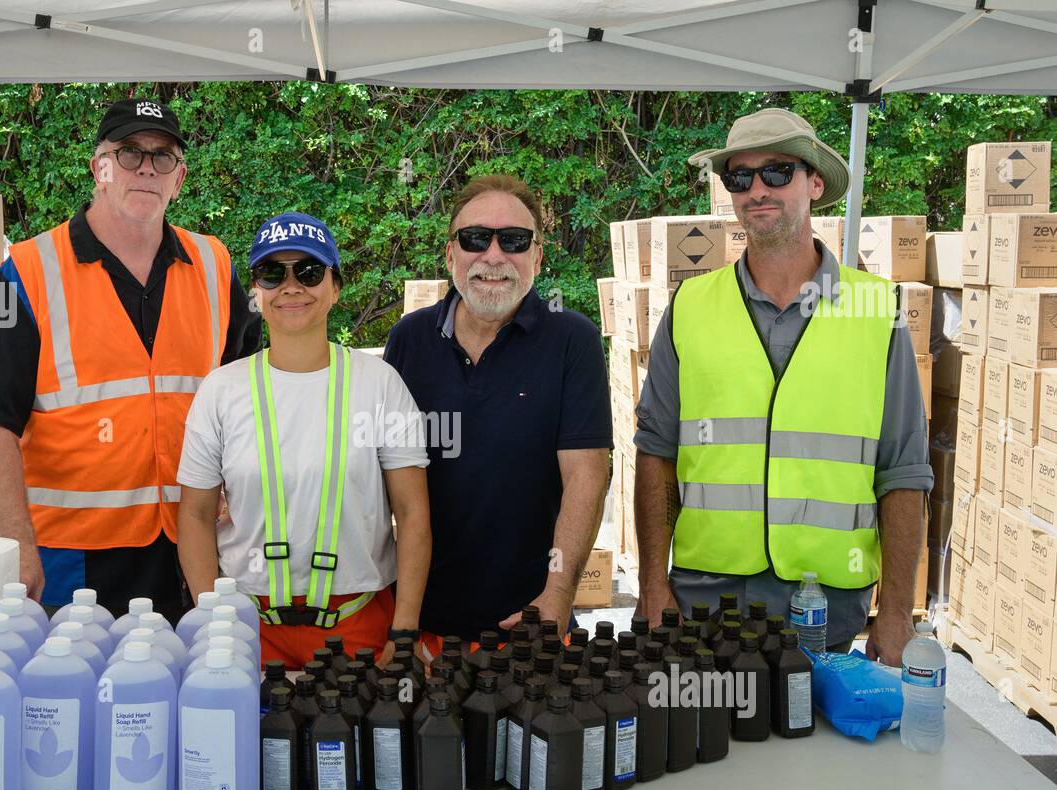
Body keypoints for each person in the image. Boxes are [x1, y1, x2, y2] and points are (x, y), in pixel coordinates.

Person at [634, 107, 931, 665]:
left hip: (823, 605)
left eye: (776, 171)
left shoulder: (873, 310)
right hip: (705, 599)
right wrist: (653, 583)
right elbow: (656, 454)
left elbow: (904, 471)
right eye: (739, 177)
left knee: (813, 750)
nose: (756, 189)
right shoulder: (691, 308)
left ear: (815, 182)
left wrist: (895, 613)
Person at [0, 97, 260, 622]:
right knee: (79, 696)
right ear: (100, 167)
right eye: (129, 152)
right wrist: (17, 544)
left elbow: (247, 396)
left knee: (189, 692)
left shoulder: (214, 265)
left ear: (178, 178)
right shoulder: (24, 273)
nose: (146, 168)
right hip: (74, 559)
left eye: (162, 157)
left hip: (192, 544)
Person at [176, 212, 431, 670]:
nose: (291, 286)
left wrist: (406, 630)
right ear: (256, 291)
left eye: (309, 272)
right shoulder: (221, 389)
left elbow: (412, 514)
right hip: (246, 631)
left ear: (335, 287)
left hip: (358, 629)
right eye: (272, 273)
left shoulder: (380, 383)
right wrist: (212, 619)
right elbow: (194, 515)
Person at [384, 175, 613, 646]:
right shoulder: (409, 339)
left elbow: (586, 477)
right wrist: (401, 623)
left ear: (537, 257)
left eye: (513, 240)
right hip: (424, 623)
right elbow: (380, 478)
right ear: (451, 255)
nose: (493, 256)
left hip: (533, 623)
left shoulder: (573, 341)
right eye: (474, 239)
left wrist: (557, 598)